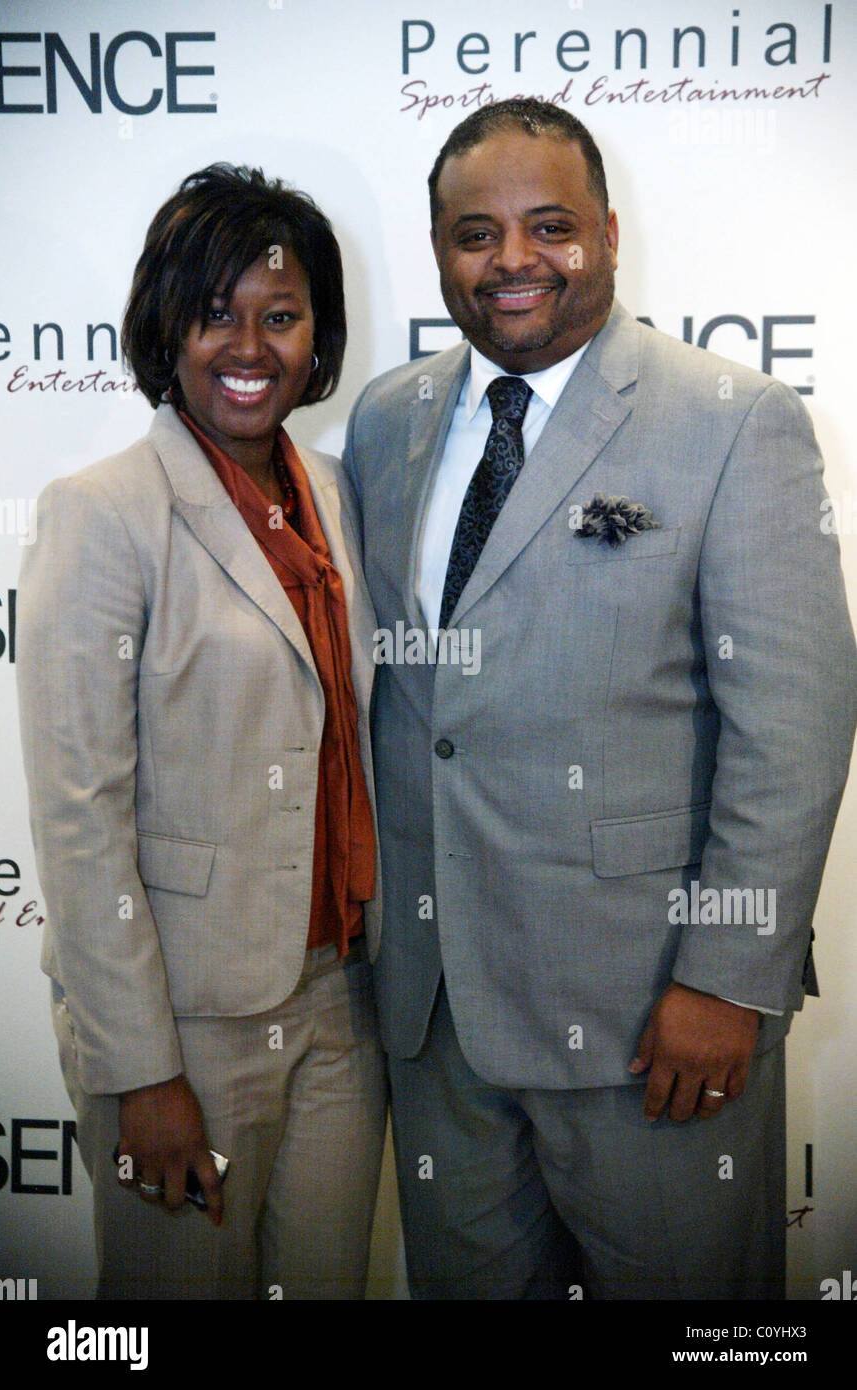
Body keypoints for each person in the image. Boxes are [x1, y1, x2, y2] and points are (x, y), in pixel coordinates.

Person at [343, 99, 857, 1299]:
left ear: (609, 236)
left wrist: (727, 976)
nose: (511, 260)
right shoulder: (386, 421)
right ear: (438, 251)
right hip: (437, 1019)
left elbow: (790, 723)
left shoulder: (731, 423)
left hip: (651, 1020)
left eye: (548, 226)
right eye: (474, 233)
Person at [16, 163, 386, 1300]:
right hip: (184, 1020)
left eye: (280, 316)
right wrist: (142, 1073)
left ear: (316, 334)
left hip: (340, 999)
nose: (249, 345)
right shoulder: (103, 513)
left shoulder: (334, 493)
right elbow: (80, 815)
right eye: (215, 312)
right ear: (166, 325)